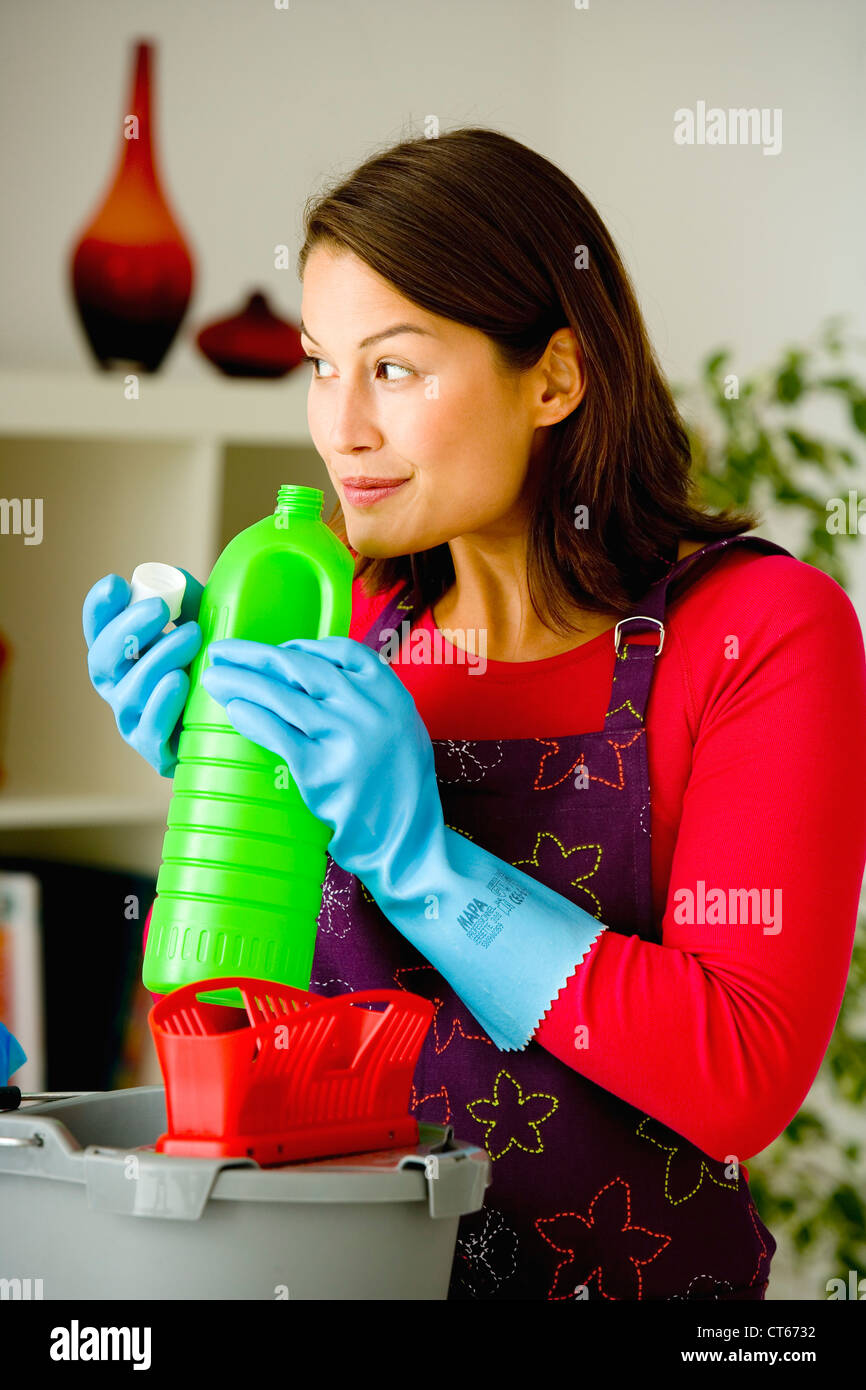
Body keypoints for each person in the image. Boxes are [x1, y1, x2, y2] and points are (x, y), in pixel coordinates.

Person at [83, 127, 866, 1301]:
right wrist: (220, 804)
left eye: (392, 369)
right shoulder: (344, 625)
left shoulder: (757, 631)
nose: (338, 427)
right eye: (317, 362)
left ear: (552, 377)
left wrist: (423, 865)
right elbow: (247, 1060)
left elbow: (739, 1071)